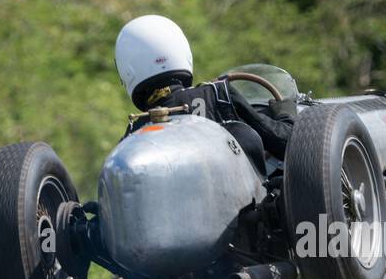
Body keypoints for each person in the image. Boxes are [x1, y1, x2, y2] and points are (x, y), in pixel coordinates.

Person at [113, 14, 295, 173]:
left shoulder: (132, 135)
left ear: (127, 70)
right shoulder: (218, 95)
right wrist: (286, 115)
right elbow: (287, 146)